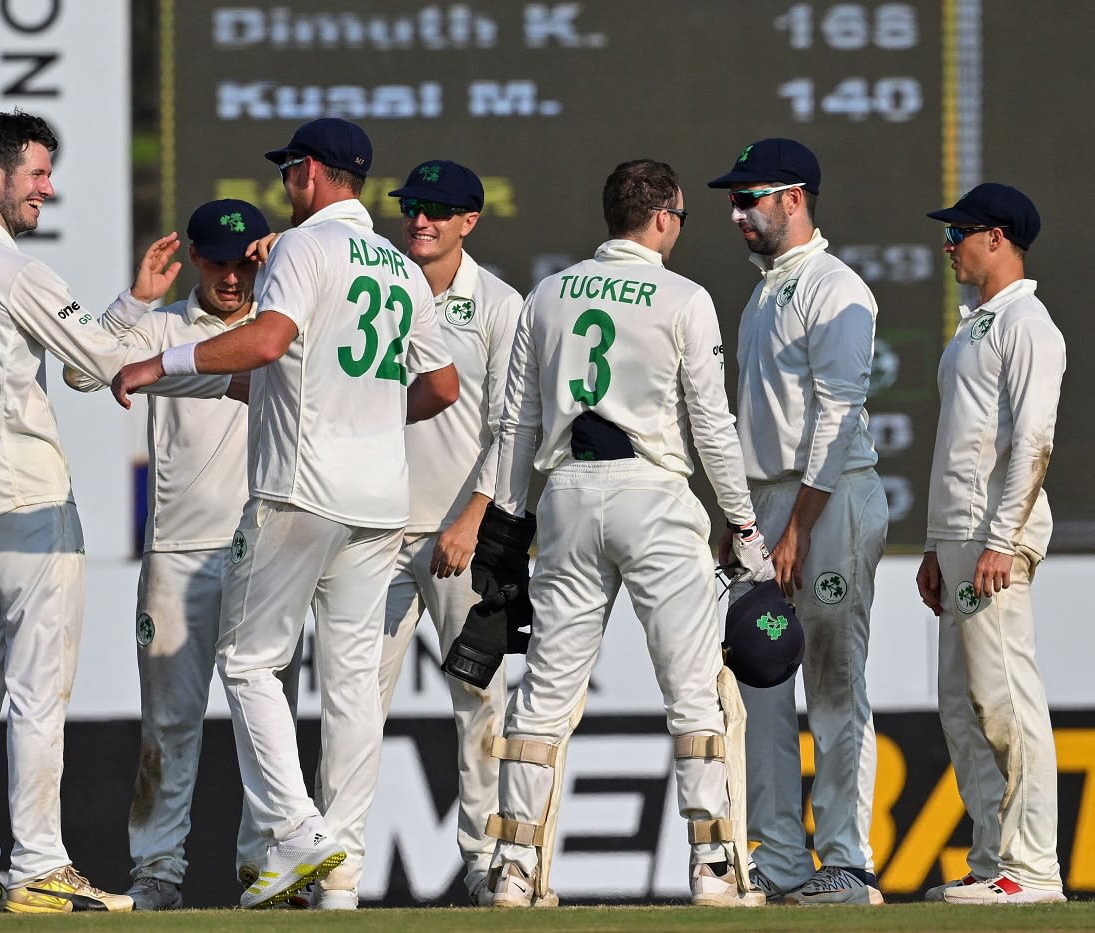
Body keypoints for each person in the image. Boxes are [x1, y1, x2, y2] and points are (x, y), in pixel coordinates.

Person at [111, 117, 460, 910]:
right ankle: (339, 881)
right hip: (381, 499)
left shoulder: (303, 246)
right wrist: (365, 411)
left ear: (309, 172)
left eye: (288, 172)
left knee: (248, 662)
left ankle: (300, 830)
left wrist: (157, 360)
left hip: (301, 488)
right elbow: (442, 389)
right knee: (349, 690)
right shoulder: (403, 269)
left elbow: (266, 343)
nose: (284, 185)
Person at [0, 109, 182, 915]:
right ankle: (39, 866)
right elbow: (102, 367)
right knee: (35, 690)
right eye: (37, 172)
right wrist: (138, 316)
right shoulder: (19, 272)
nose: (48, 190)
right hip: (27, 498)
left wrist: (127, 303)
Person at [484, 159, 772, 908]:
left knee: (544, 696)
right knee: (696, 692)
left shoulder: (548, 293)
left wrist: (509, 520)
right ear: (666, 216)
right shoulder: (684, 297)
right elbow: (712, 425)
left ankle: (514, 867)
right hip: (654, 495)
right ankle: (714, 868)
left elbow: (517, 422)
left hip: (568, 496)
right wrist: (743, 524)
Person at [66, 198, 276, 910]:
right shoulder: (159, 325)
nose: (230, 276)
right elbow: (80, 374)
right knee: (169, 724)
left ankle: (267, 871)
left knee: (264, 720)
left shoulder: (283, 321)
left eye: (244, 261)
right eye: (216, 260)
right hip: (178, 551)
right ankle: (157, 871)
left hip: (268, 549)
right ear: (193, 257)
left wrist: (172, 370)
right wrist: (131, 304)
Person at [706, 138, 889, 905]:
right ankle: (780, 861)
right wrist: (741, 516)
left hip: (831, 499)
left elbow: (839, 414)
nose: (739, 211)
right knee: (761, 686)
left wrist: (799, 525)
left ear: (795, 198)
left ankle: (846, 863)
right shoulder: (764, 291)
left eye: (752, 196)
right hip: (771, 504)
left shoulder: (833, 285)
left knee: (835, 681)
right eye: (734, 199)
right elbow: (761, 419)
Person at [376, 159, 521, 906]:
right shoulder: (378, 286)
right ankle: (335, 861)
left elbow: (510, 426)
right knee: (355, 701)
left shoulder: (499, 304)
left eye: (437, 209)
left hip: (458, 538)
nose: (420, 220)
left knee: (478, 700)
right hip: (372, 531)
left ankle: (487, 859)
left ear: (470, 220)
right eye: (412, 208)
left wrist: (472, 517)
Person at [916, 184, 1066, 904]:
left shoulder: (1027, 322)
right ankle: (992, 859)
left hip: (994, 536)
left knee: (1005, 697)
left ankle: (1032, 867)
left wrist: (1000, 536)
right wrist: (932, 542)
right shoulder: (974, 326)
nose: (949, 246)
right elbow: (960, 443)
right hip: (959, 534)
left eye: (961, 233)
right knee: (962, 703)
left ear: (998, 238)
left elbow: (1033, 439)